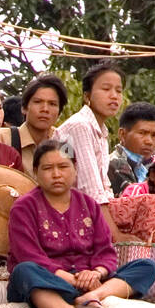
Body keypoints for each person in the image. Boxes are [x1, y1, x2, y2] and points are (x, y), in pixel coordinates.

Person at [6, 139, 155, 308]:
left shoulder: (89, 204)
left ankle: (90, 299)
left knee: (147, 266)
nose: (56, 174)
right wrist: (73, 279)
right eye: (48, 168)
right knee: (24, 271)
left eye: (63, 167)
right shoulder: (24, 207)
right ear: (36, 172)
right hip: (48, 285)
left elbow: (105, 251)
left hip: (90, 283)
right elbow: (28, 254)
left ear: (75, 169)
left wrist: (97, 273)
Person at [54, 61, 123, 213]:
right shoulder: (79, 126)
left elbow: (103, 185)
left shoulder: (101, 132)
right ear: (87, 96)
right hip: (74, 210)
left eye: (119, 91)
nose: (114, 96)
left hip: (94, 208)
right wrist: (114, 232)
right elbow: (89, 188)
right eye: (106, 89)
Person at [11, 74, 68, 175]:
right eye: (38, 102)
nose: (45, 109)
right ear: (24, 108)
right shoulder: (3, 139)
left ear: (59, 112)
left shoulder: (65, 140)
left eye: (52, 104)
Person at [108, 101, 155, 197]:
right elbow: (138, 205)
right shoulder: (113, 165)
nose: (149, 141)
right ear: (122, 134)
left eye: (154, 135)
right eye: (142, 133)